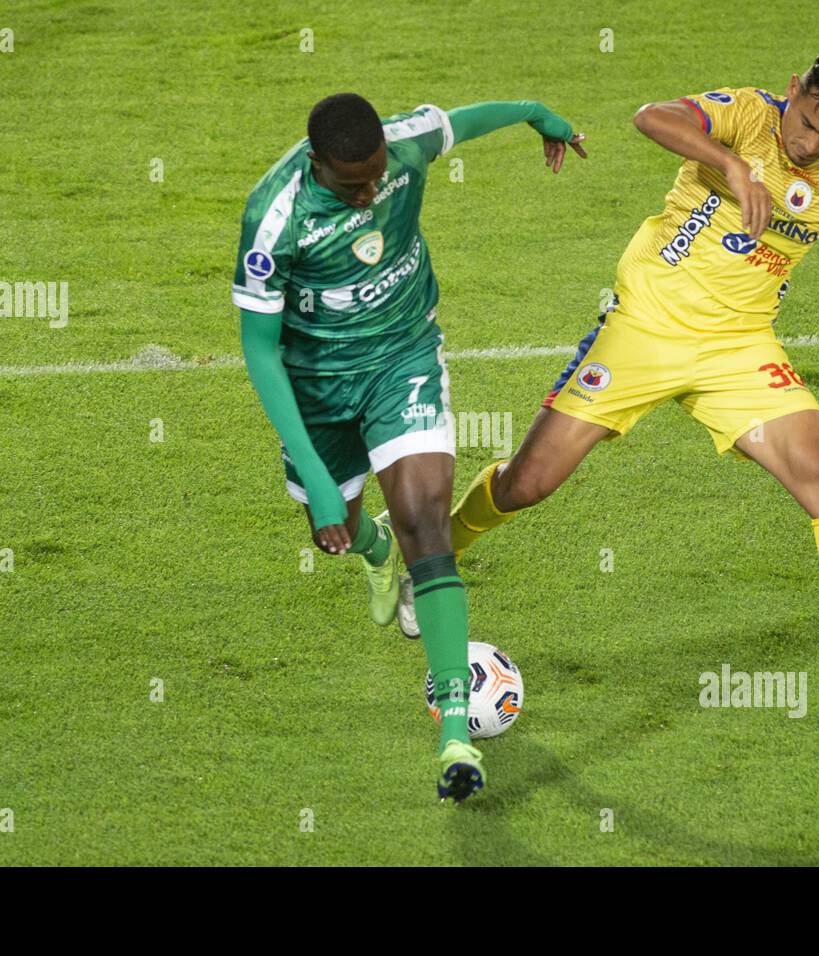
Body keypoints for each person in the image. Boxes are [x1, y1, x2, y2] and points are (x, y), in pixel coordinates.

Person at [446, 51, 819, 710]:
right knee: (528, 483)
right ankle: (441, 547)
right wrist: (730, 164)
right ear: (795, 91)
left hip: (739, 349)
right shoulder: (747, 114)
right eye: (807, 123)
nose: (811, 145)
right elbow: (651, 117)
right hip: (643, 329)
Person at [234, 93, 585, 801]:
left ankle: (455, 734)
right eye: (351, 184)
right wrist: (319, 478)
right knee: (333, 528)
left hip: (404, 358)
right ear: (315, 164)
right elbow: (261, 353)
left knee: (428, 522)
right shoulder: (274, 221)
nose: (369, 194)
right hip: (316, 383)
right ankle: (374, 552)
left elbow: (466, 120)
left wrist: (537, 114)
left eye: (375, 178)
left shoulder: (405, 146)